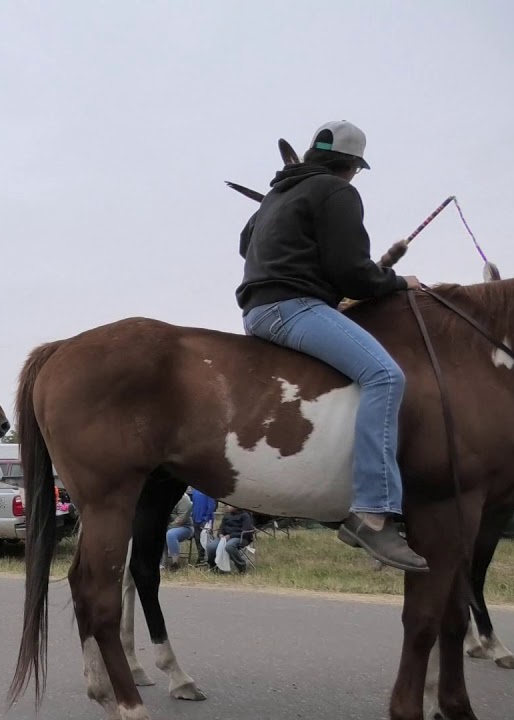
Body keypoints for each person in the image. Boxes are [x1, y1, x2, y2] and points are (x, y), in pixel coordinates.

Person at [236, 120, 427, 574]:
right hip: (292, 307)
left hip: (255, 311)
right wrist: (399, 282)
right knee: (385, 376)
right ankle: (372, 513)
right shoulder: (338, 191)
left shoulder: (277, 193)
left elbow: (246, 245)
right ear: (352, 167)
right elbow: (354, 274)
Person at [202, 506, 256, 574]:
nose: (227, 507)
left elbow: (246, 532)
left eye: (229, 506)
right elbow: (221, 528)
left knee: (229, 546)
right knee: (211, 547)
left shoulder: (245, 516)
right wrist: (220, 534)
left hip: (241, 537)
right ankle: (213, 567)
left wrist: (231, 536)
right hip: (225, 537)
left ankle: (241, 566)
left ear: (236, 506)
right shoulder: (227, 515)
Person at [163, 490, 194, 571]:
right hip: (168, 525)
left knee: (170, 534)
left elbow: (181, 519)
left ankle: (175, 563)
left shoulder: (184, 499)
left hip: (185, 527)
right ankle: (161, 564)